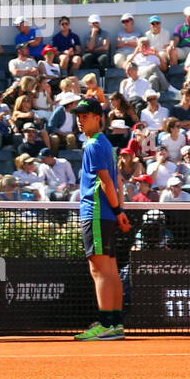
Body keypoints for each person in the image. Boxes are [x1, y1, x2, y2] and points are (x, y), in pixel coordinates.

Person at [72, 97, 130, 341]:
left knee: (99, 270)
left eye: (85, 116)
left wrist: (118, 211)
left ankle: (106, 324)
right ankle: (115, 323)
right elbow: (117, 182)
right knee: (110, 269)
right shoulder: (105, 143)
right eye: (78, 116)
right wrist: (120, 211)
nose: (80, 120)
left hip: (95, 212)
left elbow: (107, 181)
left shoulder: (94, 145)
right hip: (105, 213)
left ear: (98, 117)